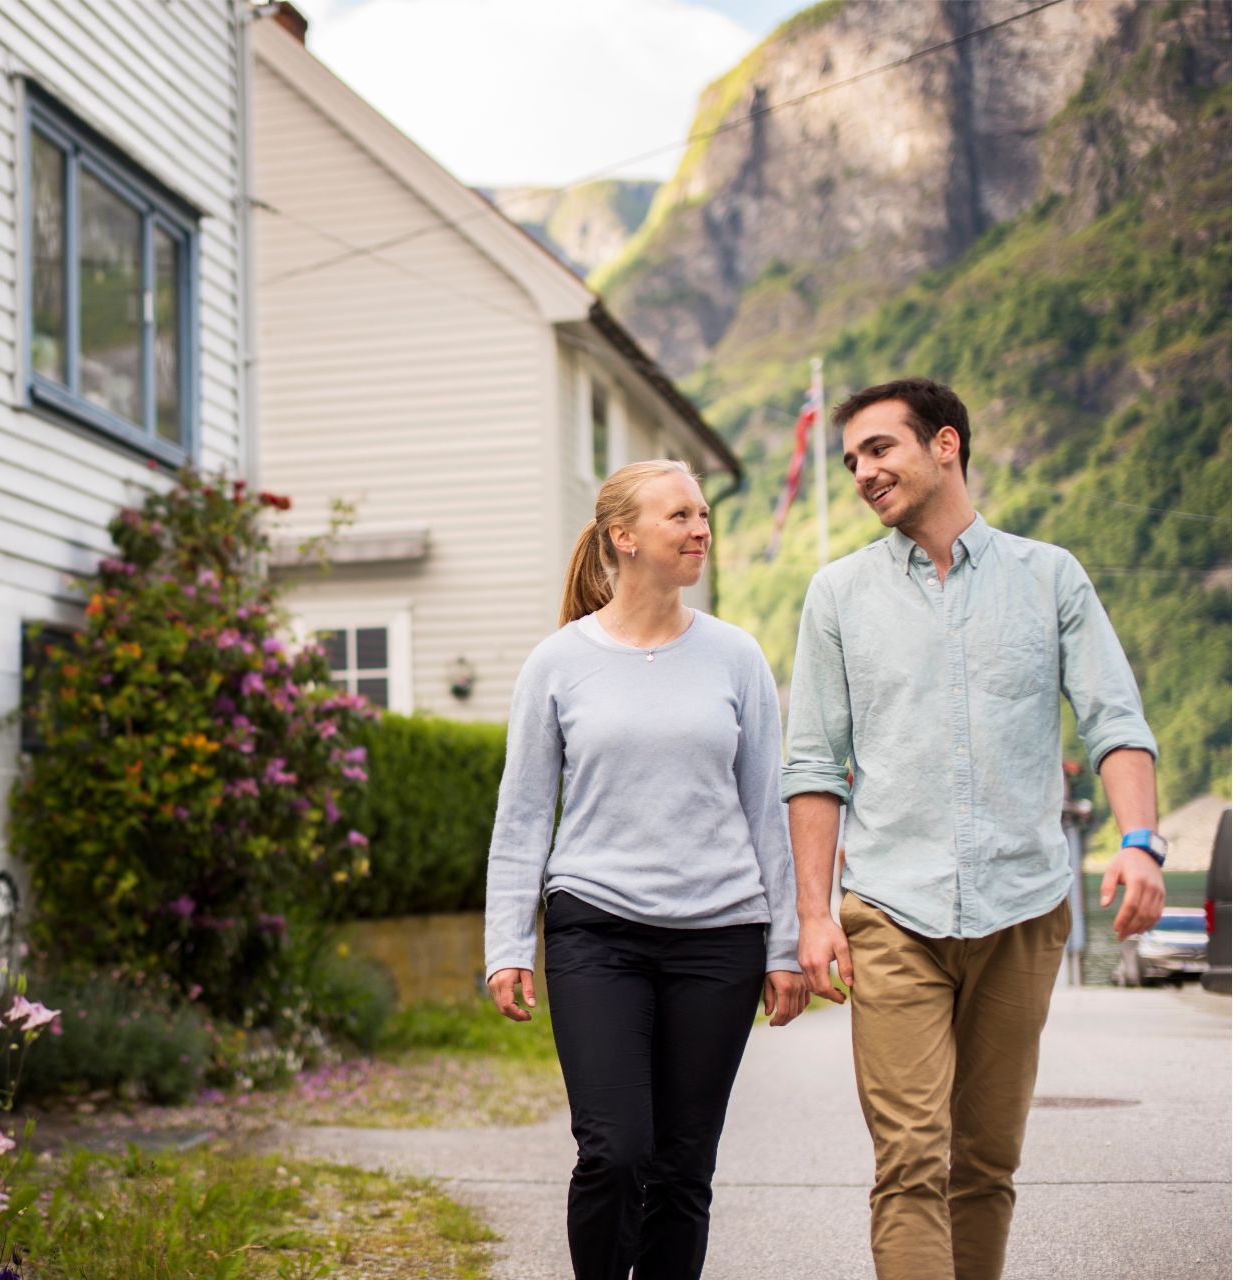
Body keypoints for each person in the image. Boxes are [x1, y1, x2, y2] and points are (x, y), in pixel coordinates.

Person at [782, 378, 1164, 1280]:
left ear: (945, 445)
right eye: (851, 461)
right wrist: (813, 912)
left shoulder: (1050, 576)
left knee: (985, 1165)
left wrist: (1141, 842)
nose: (863, 473)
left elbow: (1115, 722)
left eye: (880, 450)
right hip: (890, 911)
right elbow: (812, 768)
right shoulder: (837, 595)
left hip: (1023, 910)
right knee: (911, 1162)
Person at [484, 459, 809, 1280]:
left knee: (681, 1169)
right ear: (623, 537)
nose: (700, 528)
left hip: (721, 938)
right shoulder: (557, 663)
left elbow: (766, 809)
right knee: (616, 1152)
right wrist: (508, 944)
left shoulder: (736, 657)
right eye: (679, 516)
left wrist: (784, 946)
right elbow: (523, 816)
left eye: (703, 514)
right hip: (598, 930)